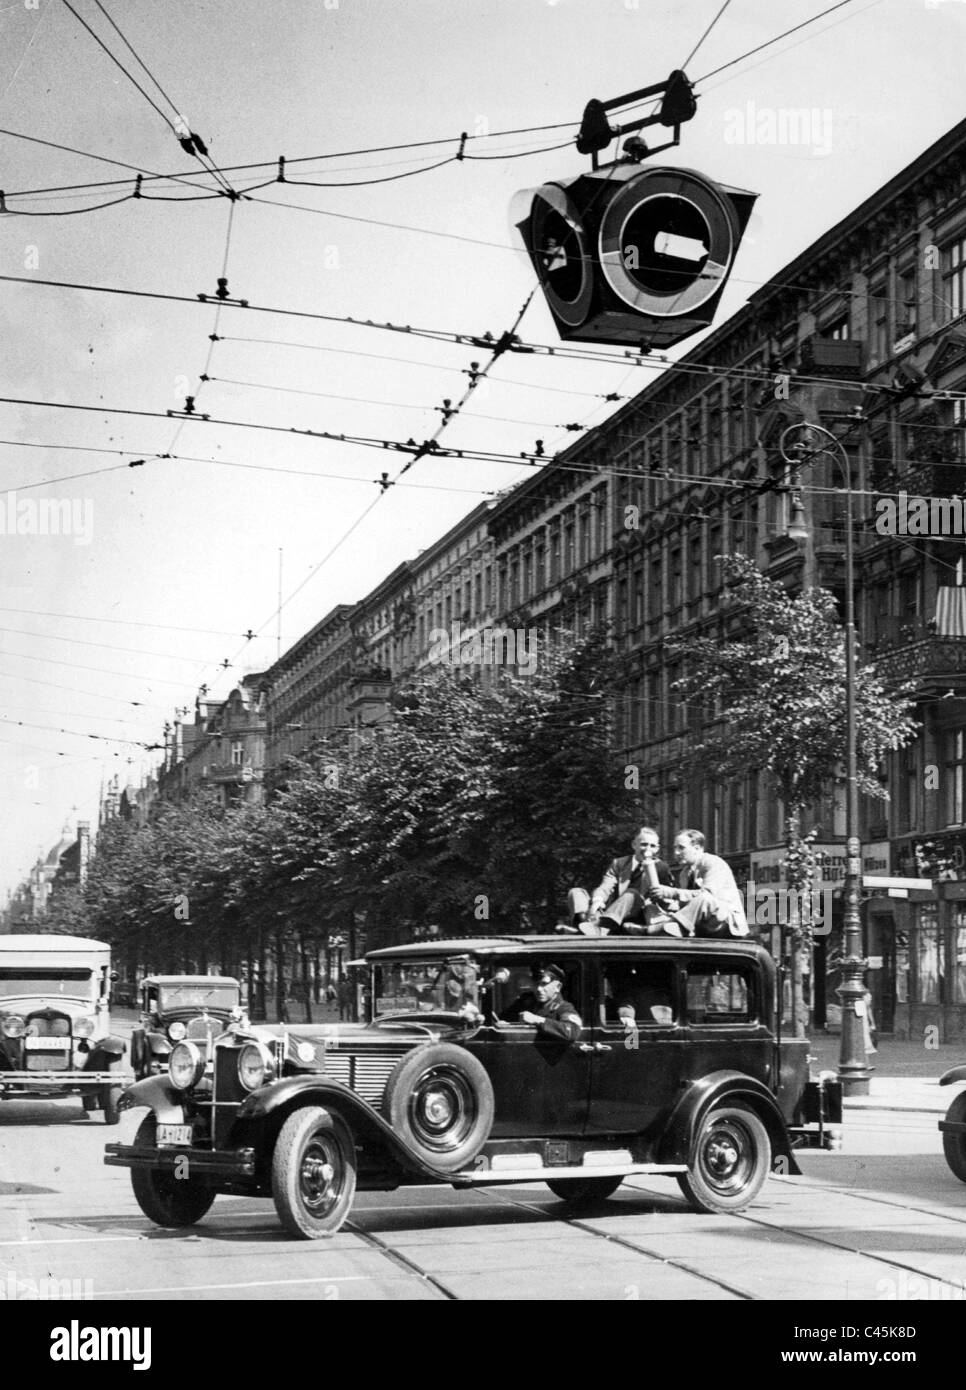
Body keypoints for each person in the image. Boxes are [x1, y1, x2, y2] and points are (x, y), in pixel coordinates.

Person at [565, 826, 676, 935]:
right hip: (609, 911)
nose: (648, 849)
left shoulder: (661, 868)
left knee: (631, 894)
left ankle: (599, 929)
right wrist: (597, 901)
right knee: (576, 892)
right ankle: (583, 925)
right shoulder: (619, 863)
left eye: (652, 846)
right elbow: (605, 886)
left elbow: (665, 898)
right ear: (634, 845)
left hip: (636, 916)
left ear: (657, 849)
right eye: (644, 844)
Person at [650, 829, 750, 938]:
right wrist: (665, 901)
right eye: (675, 848)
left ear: (696, 848)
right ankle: (665, 925)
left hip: (727, 923)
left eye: (681, 848)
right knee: (651, 906)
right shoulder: (685, 873)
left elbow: (707, 896)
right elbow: (688, 905)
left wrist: (672, 892)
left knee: (704, 898)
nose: (676, 853)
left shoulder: (713, 863)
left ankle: (666, 926)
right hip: (703, 924)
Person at [496, 964, 582, 1041]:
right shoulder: (527, 1000)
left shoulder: (563, 1008)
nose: (539, 989)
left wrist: (537, 1020)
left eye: (544, 984)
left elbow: (573, 1031)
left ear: (558, 987)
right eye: (536, 984)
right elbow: (504, 1017)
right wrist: (504, 1024)